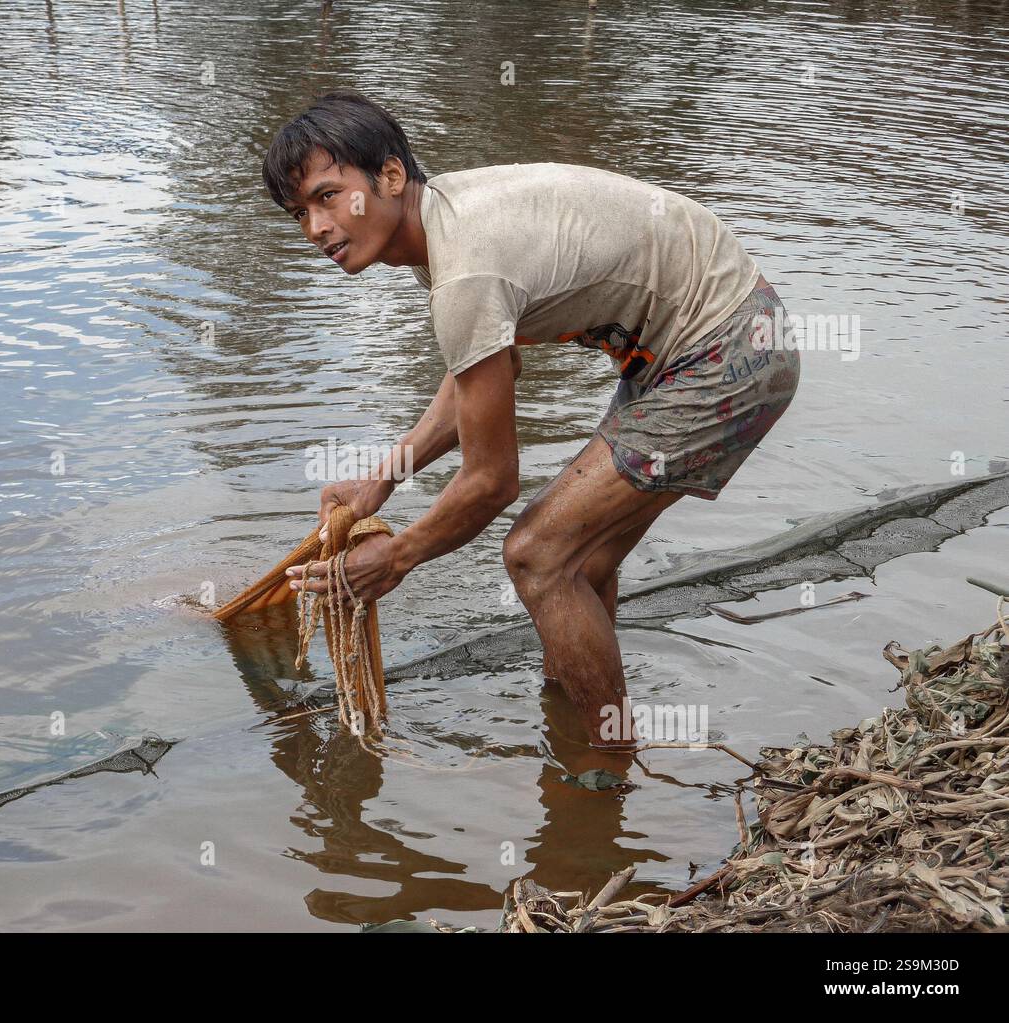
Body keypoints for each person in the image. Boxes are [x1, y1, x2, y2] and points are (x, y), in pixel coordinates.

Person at [265, 89, 799, 748]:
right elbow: (484, 374)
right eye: (298, 212)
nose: (315, 227)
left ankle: (602, 769)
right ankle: (579, 745)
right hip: (711, 339)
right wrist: (384, 479)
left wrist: (396, 556)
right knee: (583, 558)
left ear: (391, 176)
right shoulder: (442, 225)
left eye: (326, 196)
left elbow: (492, 481)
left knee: (537, 554)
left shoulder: (462, 270)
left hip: (725, 350)